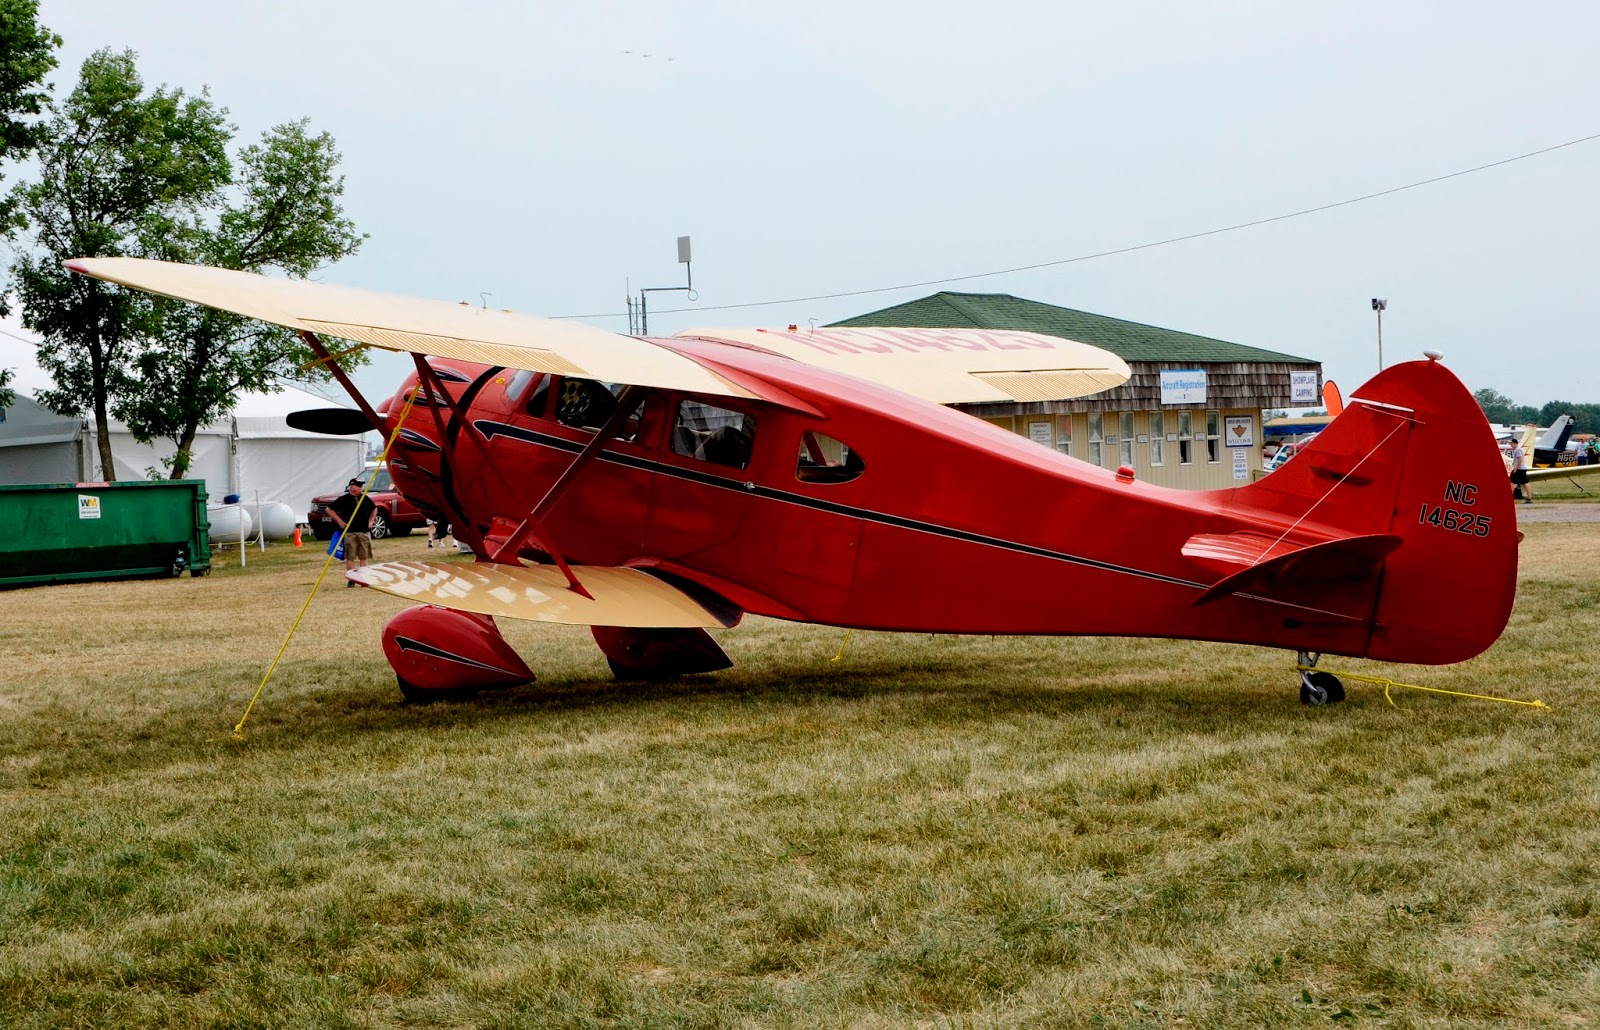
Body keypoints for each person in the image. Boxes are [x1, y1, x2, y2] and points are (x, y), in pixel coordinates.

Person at [326, 477, 376, 584]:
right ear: (352, 487)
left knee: (364, 556)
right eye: (359, 486)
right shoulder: (344, 499)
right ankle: (352, 579)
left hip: (363, 532)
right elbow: (329, 509)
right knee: (350, 557)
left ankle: (363, 579)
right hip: (350, 532)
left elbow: (374, 508)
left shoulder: (364, 498)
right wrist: (340, 522)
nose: (361, 488)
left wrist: (371, 521)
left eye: (361, 486)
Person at [1509, 439, 1532, 505]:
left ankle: (1510, 498)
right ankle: (1529, 498)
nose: (1511, 445)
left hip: (1519, 469)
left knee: (1511, 481)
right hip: (1522, 468)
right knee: (1525, 483)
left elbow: (1520, 459)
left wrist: (1516, 468)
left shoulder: (1518, 450)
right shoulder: (1519, 449)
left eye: (1511, 444)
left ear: (1514, 443)